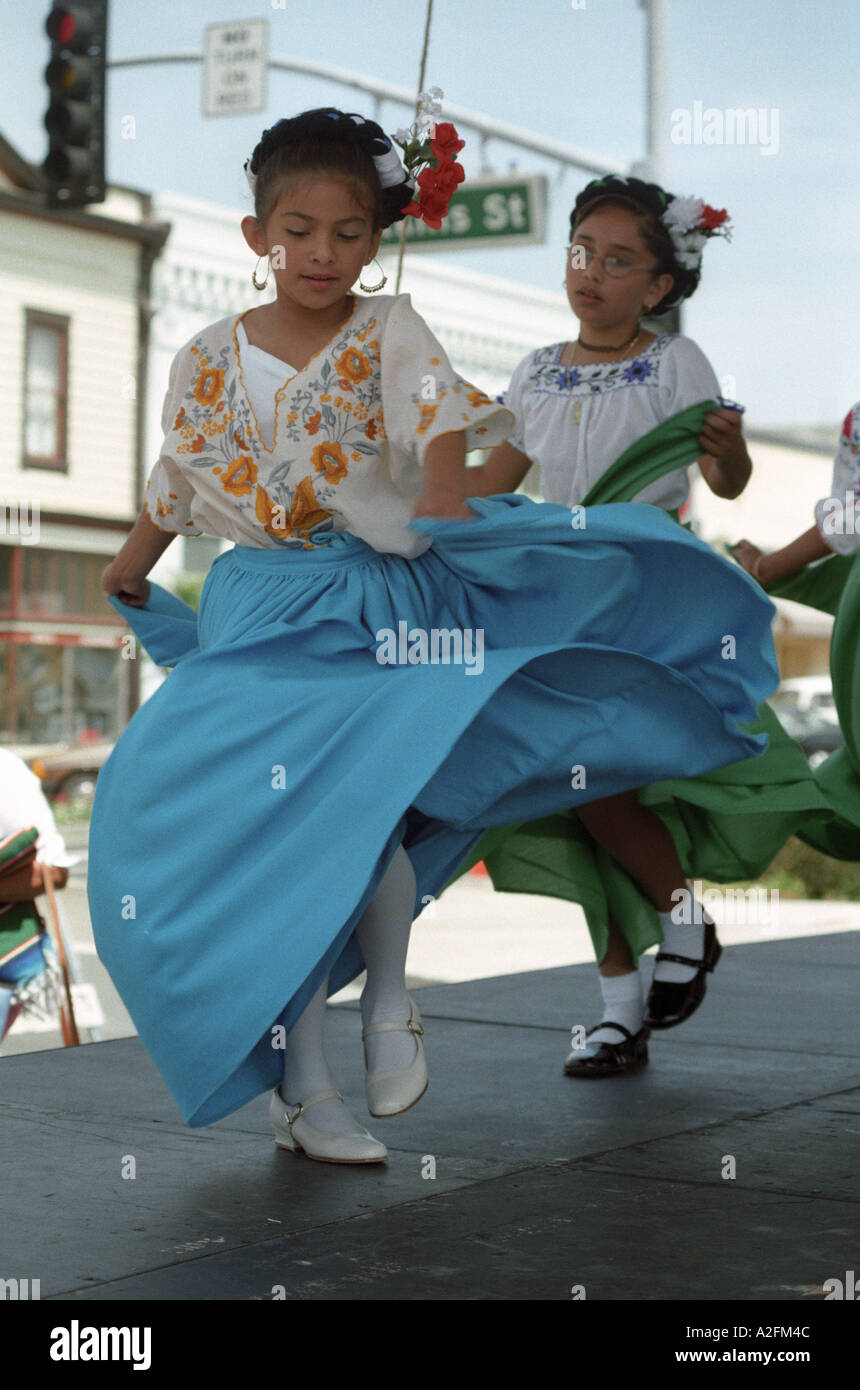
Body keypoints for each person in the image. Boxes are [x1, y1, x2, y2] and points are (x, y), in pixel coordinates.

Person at [88, 113, 779, 1164]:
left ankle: (392, 1004)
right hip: (256, 609)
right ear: (254, 234)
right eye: (298, 229)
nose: (322, 252)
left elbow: (444, 427)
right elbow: (180, 475)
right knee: (248, 833)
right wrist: (132, 564)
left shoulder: (391, 330)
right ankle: (307, 1082)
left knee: (370, 818)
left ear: (374, 239)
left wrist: (448, 501)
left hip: (371, 600)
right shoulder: (205, 355)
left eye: (348, 231)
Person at [464, 175, 845, 1079]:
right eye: (581, 252)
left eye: (618, 258)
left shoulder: (676, 362)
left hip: (646, 597)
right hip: (557, 594)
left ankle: (677, 929)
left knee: (595, 782)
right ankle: (621, 1007)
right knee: (573, 801)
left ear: (659, 287)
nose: (590, 272)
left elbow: (726, 483)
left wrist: (733, 451)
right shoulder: (536, 368)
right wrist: (402, 490)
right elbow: (493, 481)